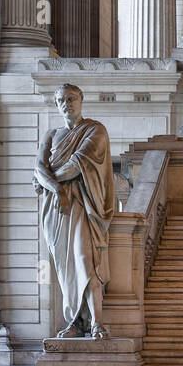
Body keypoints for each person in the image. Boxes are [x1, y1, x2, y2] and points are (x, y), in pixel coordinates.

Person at [33, 84, 115, 339]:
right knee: (64, 268)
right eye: (60, 100)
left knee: (83, 261)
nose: (65, 104)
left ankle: (97, 323)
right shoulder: (51, 134)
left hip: (82, 204)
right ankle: (74, 322)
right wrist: (54, 188)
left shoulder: (95, 130)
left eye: (71, 98)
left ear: (81, 100)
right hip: (56, 211)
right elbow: (38, 166)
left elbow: (77, 164)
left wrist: (49, 183)